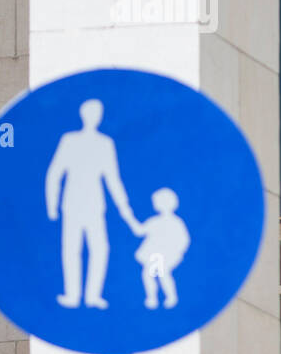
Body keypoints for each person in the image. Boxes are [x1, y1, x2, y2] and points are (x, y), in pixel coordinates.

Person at [45, 99, 141, 309]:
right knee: (71, 249)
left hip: (95, 205)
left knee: (100, 249)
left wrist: (126, 211)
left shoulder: (105, 143)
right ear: (84, 115)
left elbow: (113, 180)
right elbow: (55, 173)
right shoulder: (69, 140)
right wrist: (51, 205)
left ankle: (93, 296)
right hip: (72, 204)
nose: (95, 116)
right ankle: (72, 295)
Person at [134, 188, 189, 308]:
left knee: (159, 274)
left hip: (163, 254)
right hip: (155, 254)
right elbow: (140, 231)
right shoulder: (156, 221)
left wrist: (176, 251)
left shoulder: (174, 222)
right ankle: (154, 298)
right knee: (152, 275)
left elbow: (184, 239)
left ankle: (166, 297)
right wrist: (131, 221)